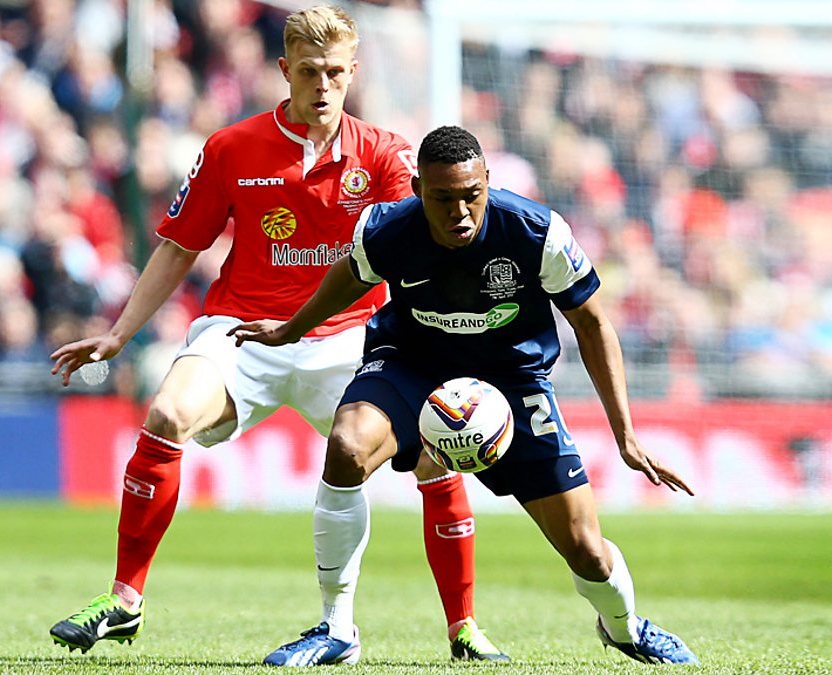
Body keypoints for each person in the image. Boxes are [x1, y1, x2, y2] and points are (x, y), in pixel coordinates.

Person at [47, 7, 507, 663]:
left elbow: (431, 239)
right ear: (284, 70)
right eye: (310, 71)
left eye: (336, 72)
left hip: (349, 338)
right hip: (243, 331)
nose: (323, 84)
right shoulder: (232, 148)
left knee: (436, 448)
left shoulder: (382, 154)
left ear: (354, 73)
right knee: (168, 412)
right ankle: (123, 601)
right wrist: (121, 332)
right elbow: (178, 247)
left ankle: (461, 626)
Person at [233, 125, 700, 666]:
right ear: (415, 189)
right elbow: (352, 276)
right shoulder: (386, 230)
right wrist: (293, 328)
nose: (460, 212)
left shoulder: (536, 232)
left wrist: (625, 435)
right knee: (347, 445)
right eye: (442, 198)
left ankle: (624, 627)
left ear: (488, 182)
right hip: (412, 365)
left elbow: (593, 326)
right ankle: (336, 628)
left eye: (471, 195)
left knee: (588, 551)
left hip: (513, 379)